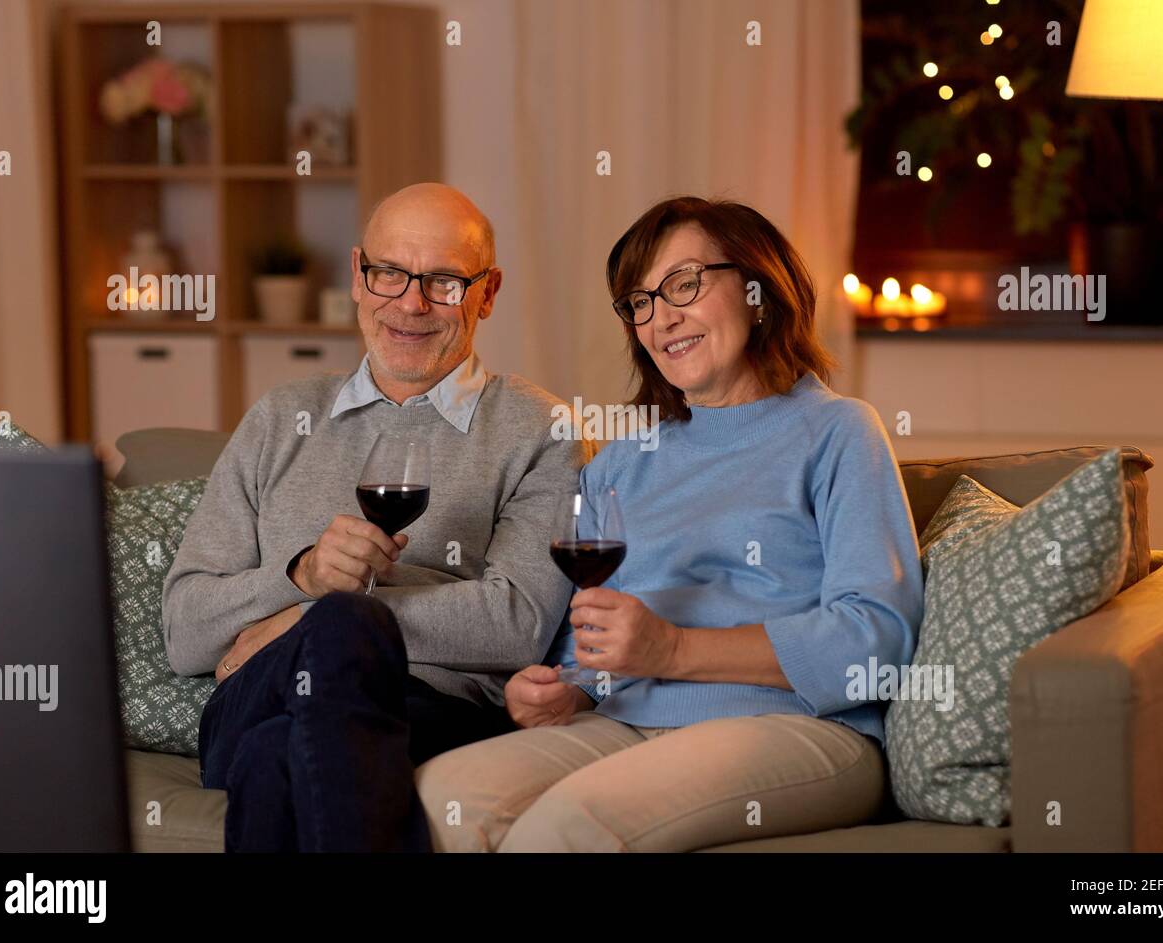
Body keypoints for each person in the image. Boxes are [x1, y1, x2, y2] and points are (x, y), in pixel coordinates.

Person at [416, 196, 925, 852]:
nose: (662, 317)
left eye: (684, 283)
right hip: (629, 722)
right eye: (641, 301)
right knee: (439, 798)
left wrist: (676, 650)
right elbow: (593, 653)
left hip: (801, 727)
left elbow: (874, 640)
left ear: (758, 285)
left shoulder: (837, 431)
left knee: (566, 825)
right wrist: (563, 693)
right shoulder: (620, 462)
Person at [162, 183, 587, 852]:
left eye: (444, 280)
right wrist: (300, 575)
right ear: (359, 275)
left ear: (488, 291)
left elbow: (518, 624)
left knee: (277, 755)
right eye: (389, 273)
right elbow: (186, 629)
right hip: (255, 697)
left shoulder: (540, 427)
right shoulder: (280, 417)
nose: (411, 304)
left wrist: (308, 619)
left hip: (429, 708)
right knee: (314, 663)